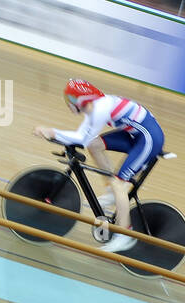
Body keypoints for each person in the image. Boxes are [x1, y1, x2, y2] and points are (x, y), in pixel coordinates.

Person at [33, 80, 166, 253]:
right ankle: (112, 192)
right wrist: (55, 134)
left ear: (82, 100)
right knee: (94, 145)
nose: (68, 104)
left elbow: (81, 138)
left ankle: (125, 234)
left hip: (149, 139)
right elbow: (85, 138)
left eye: (70, 99)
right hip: (134, 134)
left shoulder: (100, 109)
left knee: (120, 184)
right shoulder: (93, 108)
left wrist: (52, 132)